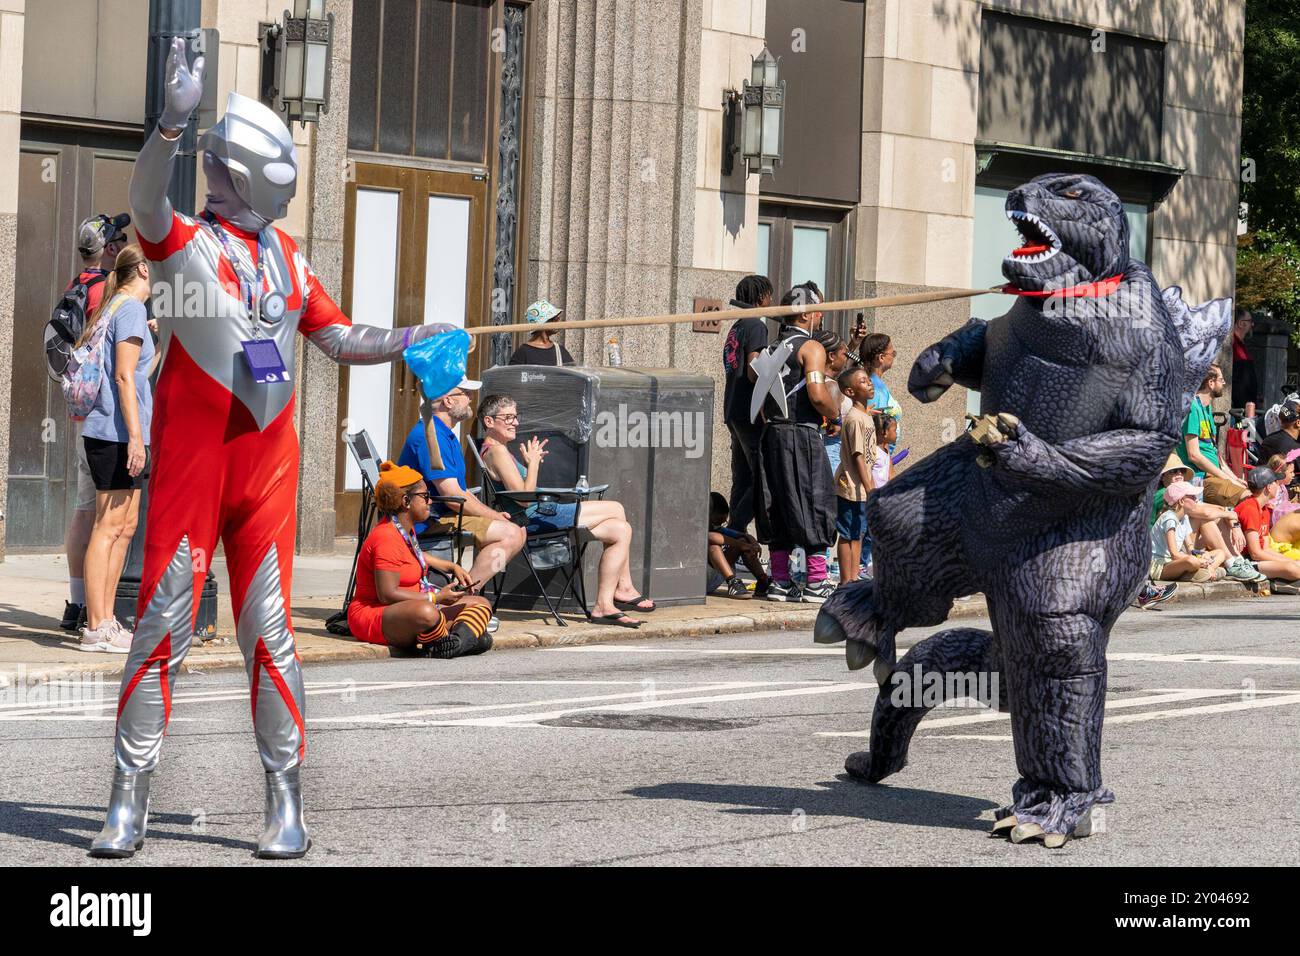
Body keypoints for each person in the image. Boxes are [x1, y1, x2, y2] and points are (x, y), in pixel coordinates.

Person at [92, 45, 468, 861]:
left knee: (270, 635)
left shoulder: (289, 259)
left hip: (265, 470)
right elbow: (145, 200)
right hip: (196, 466)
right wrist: (168, 125)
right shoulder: (186, 244)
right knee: (160, 630)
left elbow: (337, 336)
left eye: (224, 166)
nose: (221, 178)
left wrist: (411, 336)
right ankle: (128, 803)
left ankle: (286, 801)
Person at [477, 393, 653, 626]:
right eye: (508, 417)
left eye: (516, 417)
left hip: (544, 513)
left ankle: (603, 606)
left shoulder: (501, 450)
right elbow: (524, 500)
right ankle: (624, 587)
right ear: (489, 421)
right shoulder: (496, 451)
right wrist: (533, 465)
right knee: (616, 507)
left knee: (620, 530)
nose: (516, 423)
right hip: (535, 517)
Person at [78, 245, 159, 653]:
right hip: (115, 434)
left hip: (119, 431)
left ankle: (107, 620)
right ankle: (96, 625)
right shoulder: (129, 310)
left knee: (124, 528)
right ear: (143, 268)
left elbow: (138, 372)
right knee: (109, 528)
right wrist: (137, 437)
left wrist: (156, 341)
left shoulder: (121, 308)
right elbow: (125, 378)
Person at [60, 213, 131, 632]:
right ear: (107, 249)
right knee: (110, 518)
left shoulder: (76, 285)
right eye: (119, 238)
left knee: (85, 511)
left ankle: (77, 603)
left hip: (80, 413)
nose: (124, 242)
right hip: (105, 417)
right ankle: (99, 614)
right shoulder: (108, 289)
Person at [347, 462, 493, 657]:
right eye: (425, 496)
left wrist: (451, 566)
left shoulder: (405, 529)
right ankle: (461, 640)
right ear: (406, 501)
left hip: (412, 609)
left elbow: (414, 556)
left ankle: (453, 644)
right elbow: (387, 595)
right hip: (376, 613)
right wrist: (436, 598)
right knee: (427, 612)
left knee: (480, 603)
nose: (430, 501)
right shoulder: (386, 537)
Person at [398, 380, 528, 592]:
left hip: (439, 513)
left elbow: (461, 491)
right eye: (466, 393)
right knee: (511, 534)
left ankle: (464, 591)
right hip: (425, 521)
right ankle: (463, 596)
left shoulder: (444, 434)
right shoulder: (431, 435)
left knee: (516, 531)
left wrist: (491, 515)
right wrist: (494, 516)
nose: (470, 398)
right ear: (448, 401)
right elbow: (452, 495)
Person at [755, 281, 839, 603]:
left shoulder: (772, 348)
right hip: (801, 432)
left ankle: (780, 580)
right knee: (814, 500)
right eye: (818, 311)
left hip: (771, 433)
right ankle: (817, 581)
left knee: (777, 503)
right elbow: (818, 395)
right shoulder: (811, 348)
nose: (820, 316)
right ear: (808, 315)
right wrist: (835, 414)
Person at [1151, 452, 1261, 584]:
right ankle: (1228, 564)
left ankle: (1224, 564)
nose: (1180, 474)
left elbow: (1214, 509)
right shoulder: (1164, 496)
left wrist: (1230, 516)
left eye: (1181, 471)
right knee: (1204, 521)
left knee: (1219, 552)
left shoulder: (1182, 510)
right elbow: (1205, 513)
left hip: (1177, 556)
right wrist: (1229, 515)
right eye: (1174, 471)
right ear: (1162, 477)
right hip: (1163, 563)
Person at [721, 275, 773, 534]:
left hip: (732, 409)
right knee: (762, 478)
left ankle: (733, 539)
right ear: (762, 297)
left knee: (741, 479)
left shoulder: (738, 325)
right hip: (750, 412)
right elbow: (754, 369)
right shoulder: (757, 326)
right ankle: (736, 533)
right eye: (769, 295)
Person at [1178, 363, 1249, 506]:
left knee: (1250, 490)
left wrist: (1233, 478)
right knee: (1247, 497)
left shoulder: (1207, 407)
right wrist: (1225, 478)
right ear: (1211, 383)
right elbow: (1194, 455)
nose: (1223, 383)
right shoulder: (1193, 407)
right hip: (1199, 478)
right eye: (1221, 379)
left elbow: (1215, 454)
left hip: (1213, 476)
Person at [833, 366, 876, 587]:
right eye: (862, 381)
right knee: (847, 533)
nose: (869, 383)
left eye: (868, 380)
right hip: (851, 486)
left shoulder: (865, 417)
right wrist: (869, 487)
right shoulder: (855, 419)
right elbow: (858, 456)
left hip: (862, 487)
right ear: (850, 391)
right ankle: (845, 580)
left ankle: (854, 577)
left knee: (858, 533)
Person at [1234, 466, 1300, 593]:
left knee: (1294, 565)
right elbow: (1255, 553)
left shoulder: (1264, 509)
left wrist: (1290, 560)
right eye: (1275, 482)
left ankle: (1284, 580)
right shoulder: (1250, 509)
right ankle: (1279, 582)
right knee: (1294, 568)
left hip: (1257, 558)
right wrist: (1290, 563)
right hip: (1245, 562)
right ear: (1268, 487)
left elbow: (1266, 548)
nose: (1278, 485)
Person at [1149, 481, 1227, 582]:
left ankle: (1209, 570)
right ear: (1181, 501)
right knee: (1191, 561)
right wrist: (1198, 560)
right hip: (1161, 566)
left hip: (1176, 562)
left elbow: (1190, 548)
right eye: (1192, 497)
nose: (1196, 499)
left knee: (1220, 553)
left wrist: (1201, 555)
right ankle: (1195, 573)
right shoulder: (1169, 519)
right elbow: (1174, 554)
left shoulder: (1184, 517)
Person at [706, 492, 771, 599]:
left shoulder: (717, 527)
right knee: (714, 546)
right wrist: (742, 545)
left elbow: (743, 536)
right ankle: (733, 582)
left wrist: (752, 542)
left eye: (722, 522)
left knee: (743, 541)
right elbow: (711, 537)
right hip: (703, 581)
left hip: (716, 577)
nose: (719, 526)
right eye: (716, 521)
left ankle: (763, 580)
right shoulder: (698, 530)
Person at [507, 299, 575, 367]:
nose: (558, 322)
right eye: (555, 319)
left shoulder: (559, 351)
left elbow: (573, 374)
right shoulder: (523, 352)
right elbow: (512, 375)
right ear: (543, 322)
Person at [1230, 308, 1259, 412]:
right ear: (1241, 323)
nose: (1252, 325)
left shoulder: (1241, 345)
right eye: (1250, 321)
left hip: (1247, 406)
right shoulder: (1231, 344)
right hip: (1238, 408)